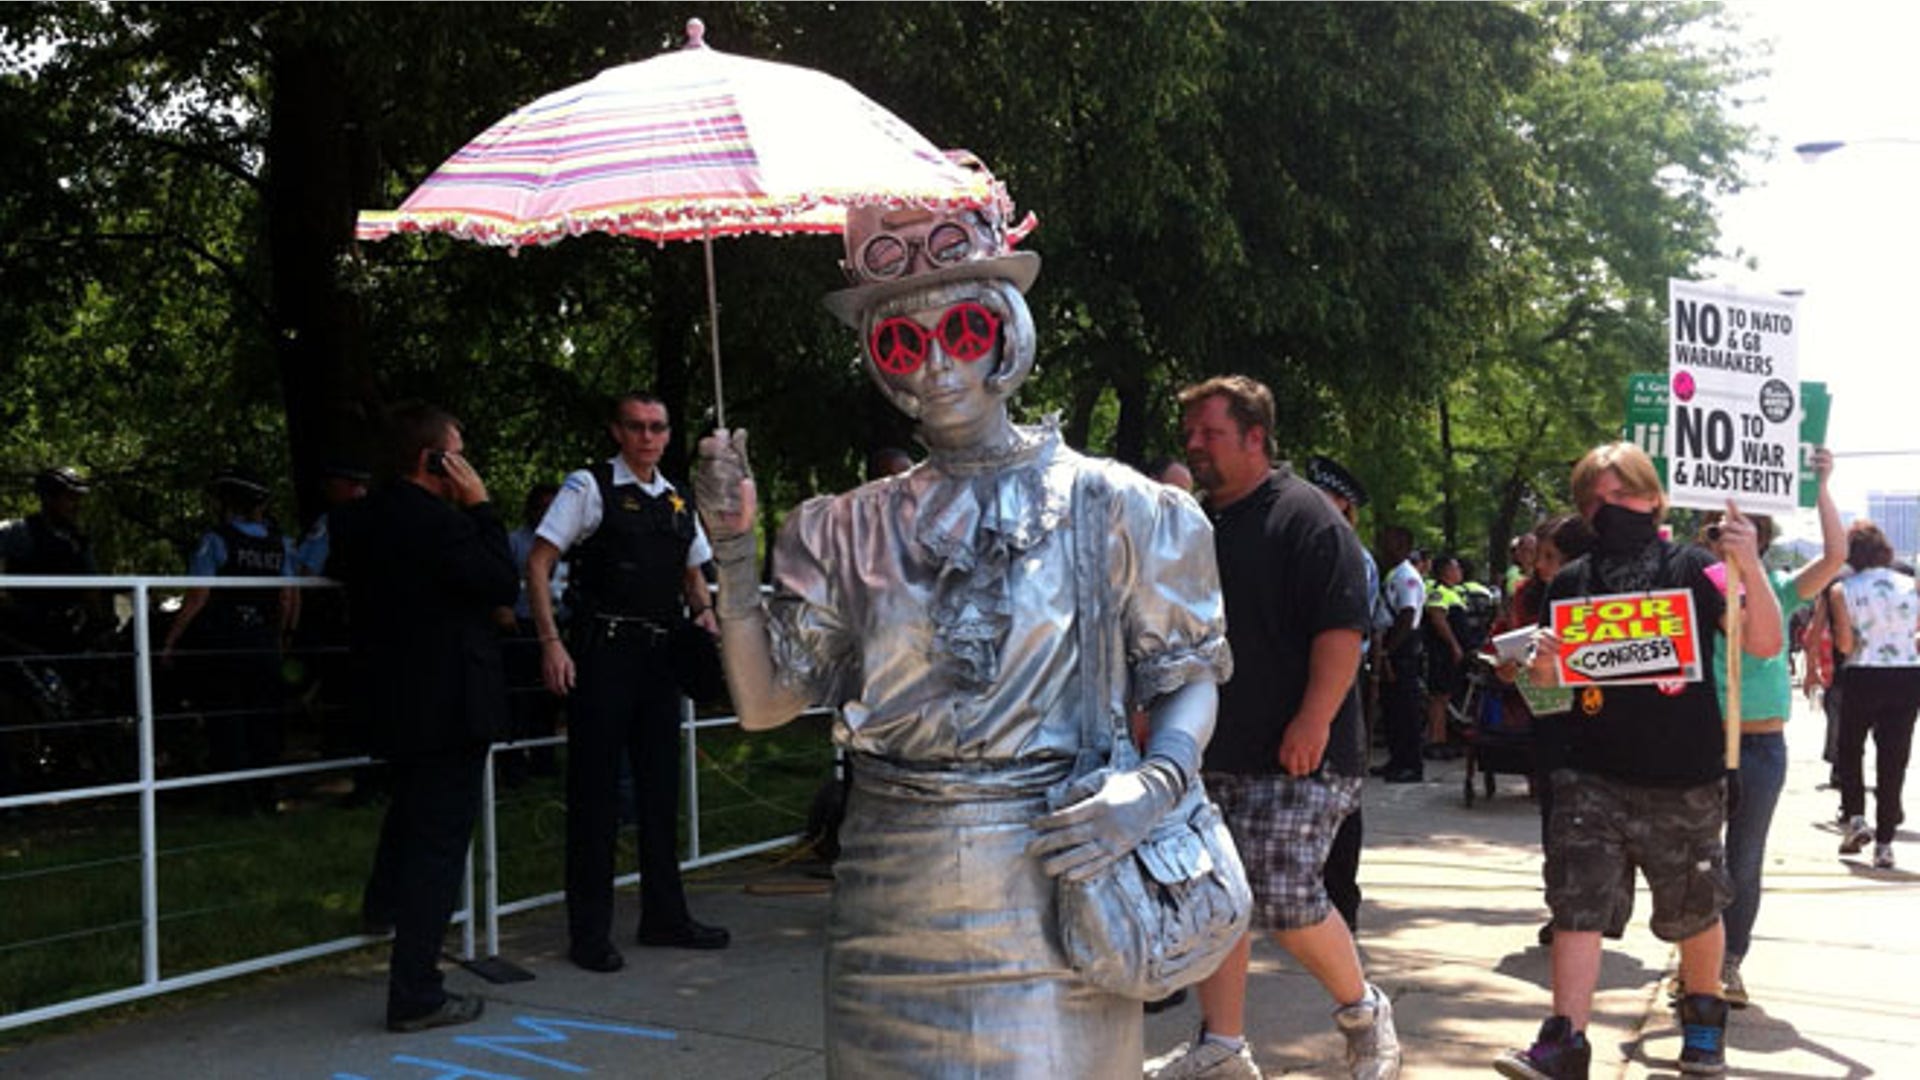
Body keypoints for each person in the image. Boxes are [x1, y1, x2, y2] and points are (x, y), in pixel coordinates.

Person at [694, 173, 1231, 1076]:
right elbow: (763, 704)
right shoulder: (844, 528)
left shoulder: (1120, 508)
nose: (937, 364)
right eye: (903, 342)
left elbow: (1187, 675)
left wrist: (1154, 785)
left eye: (964, 330)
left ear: (1007, 335)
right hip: (887, 910)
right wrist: (734, 554)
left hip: (1061, 888)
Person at [1497, 442, 1780, 1080]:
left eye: (1623, 494)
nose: (1610, 508)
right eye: (1596, 499)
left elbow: (1763, 642)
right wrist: (1541, 666)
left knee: (1694, 909)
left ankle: (1703, 1023)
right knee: (1576, 904)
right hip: (1589, 775)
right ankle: (1564, 1040)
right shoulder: (1570, 581)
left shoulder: (1698, 569)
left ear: (1655, 498)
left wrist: (1750, 565)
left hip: (1684, 778)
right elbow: (1551, 691)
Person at [1142, 380, 1396, 1080]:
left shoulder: (1307, 518)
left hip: (1301, 756)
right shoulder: (1199, 524)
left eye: (1210, 433)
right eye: (1190, 433)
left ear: (1255, 437)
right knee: (1216, 900)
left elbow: (1341, 629)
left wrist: (1313, 719)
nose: (1193, 444)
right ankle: (1223, 1047)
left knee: (1282, 896)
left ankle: (1365, 1013)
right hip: (1211, 750)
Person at [328, 402, 517, 1033]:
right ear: (430, 460)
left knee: (409, 813)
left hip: (393, 700)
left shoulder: (356, 521)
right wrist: (482, 507)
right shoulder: (444, 524)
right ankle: (416, 992)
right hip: (450, 704)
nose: (466, 467)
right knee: (438, 848)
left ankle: (380, 907)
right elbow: (500, 581)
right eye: (457, 455)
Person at [526, 391, 728, 973]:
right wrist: (550, 642)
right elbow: (538, 562)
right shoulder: (589, 487)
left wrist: (705, 615)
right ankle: (589, 932)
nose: (647, 437)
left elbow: (693, 572)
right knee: (595, 795)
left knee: (661, 791)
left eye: (657, 427)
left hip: (660, 657)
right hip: (603, 653)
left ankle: (665, 916)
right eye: (636, 426)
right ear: (617, 431)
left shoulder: (677, 499)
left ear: (668, 434)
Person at [1687, 448, 1844, 1002]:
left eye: (1745, 529)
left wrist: (1822, 485)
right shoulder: (1694, 588)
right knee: (1697, 861)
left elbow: (1835, 555)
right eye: (1721, 530)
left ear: (1763, 536)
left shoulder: (1777, 586)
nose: (1730, 539)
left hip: (1761, 746)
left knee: (1744, 860)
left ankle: (1729, 961)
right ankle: (1696, 964)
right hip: (1703, 744)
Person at [161, 468, 297, 811]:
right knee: (264, 718)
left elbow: (198, 595)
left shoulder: (216, 540)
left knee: (227, 720)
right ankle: (266, 794)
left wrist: (172, 639)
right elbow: (287, 597)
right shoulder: (280, 544)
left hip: (224, 644)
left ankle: (236, 799)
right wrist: (280, 637)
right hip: (263, 642)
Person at [1306, 454, 1376, 935]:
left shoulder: (1353, 555)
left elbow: (1353, 632)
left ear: (1344, 506)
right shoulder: (1306, 547)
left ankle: (1341, 900)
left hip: (1340, 681)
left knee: (1341, 795)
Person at [1827, 519, 1920, 871]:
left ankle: (1855, 817)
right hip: (1907, 675)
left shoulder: (1842, 590)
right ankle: (1884, 844)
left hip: (1863, 673)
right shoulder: (1912, 585)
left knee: (1850, 748)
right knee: (1894, 758)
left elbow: (1844, 643)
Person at [1374, 525, 1426, 783]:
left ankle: (1411, 764)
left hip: (1403, 646)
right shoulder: (1393, 574)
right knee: (1392, 707)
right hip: (1391, 643)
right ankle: (1396, 759)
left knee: (1406, 709)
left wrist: (1388, 650)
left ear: (1404, 546)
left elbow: (1407, 614)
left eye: (1390, 543)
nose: (1384, 548)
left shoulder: (1407, 576)